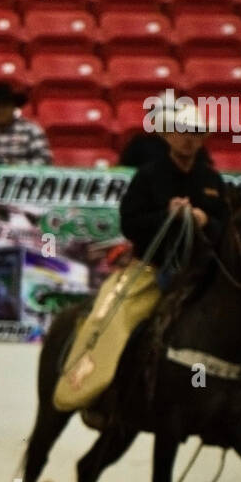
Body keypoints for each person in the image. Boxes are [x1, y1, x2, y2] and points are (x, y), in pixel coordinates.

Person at [53, 121, 229, 414]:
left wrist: (206, 220)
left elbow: (226, 227)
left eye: (196, 133)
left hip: (200, 277)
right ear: (168, 136)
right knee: (107, 317)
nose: (188, 138)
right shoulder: (148, 177)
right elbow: (129, 224)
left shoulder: (212, 180)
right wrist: (164, 216)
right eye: (183, 131)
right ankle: (88, 388)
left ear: (203, 139)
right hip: (149, 271)